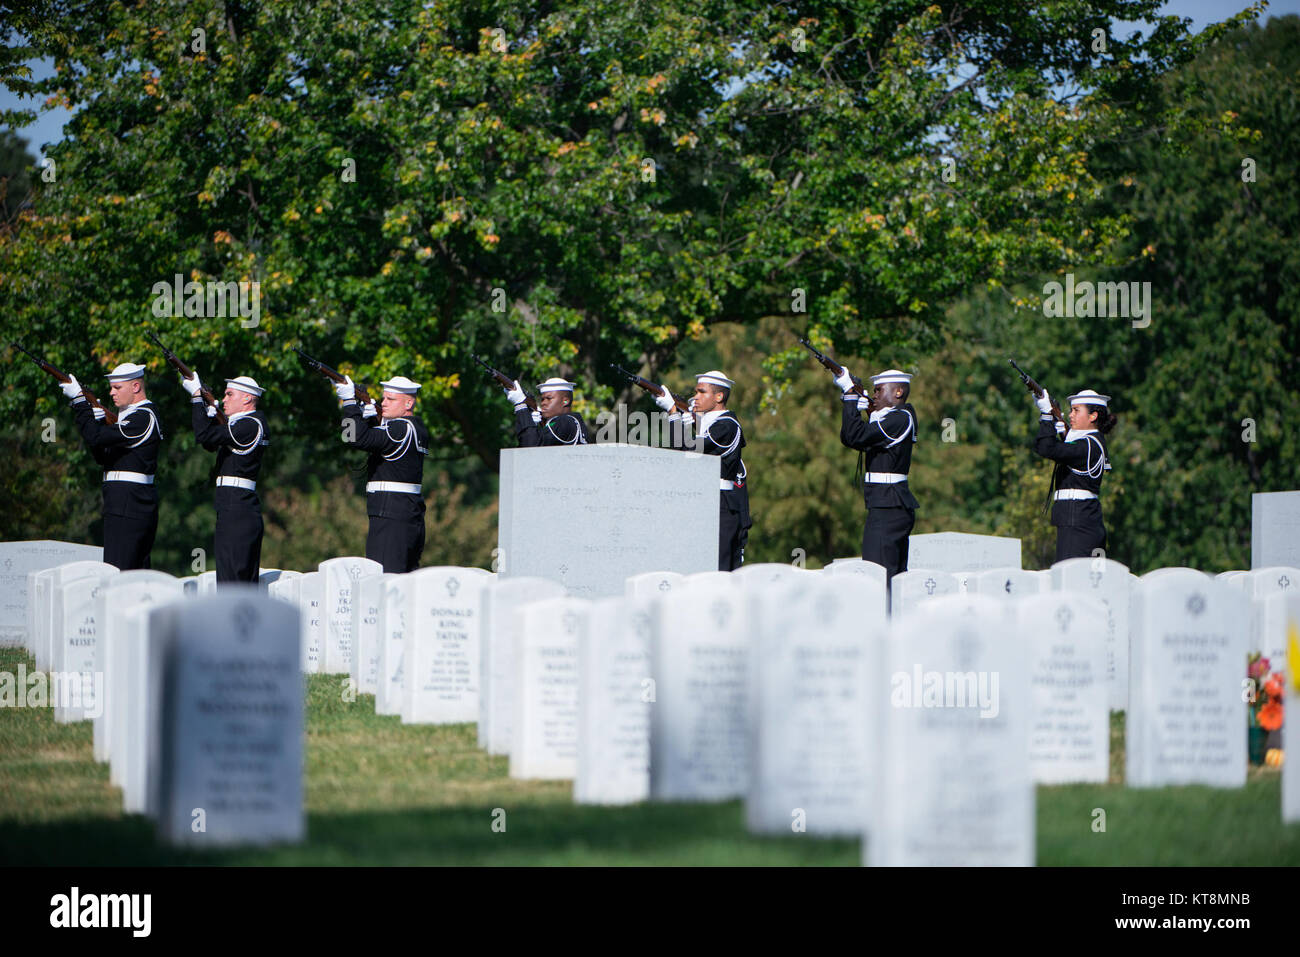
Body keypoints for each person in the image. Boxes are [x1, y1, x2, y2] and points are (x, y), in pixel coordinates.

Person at [58, 362, 164, 570]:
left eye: (118, 388)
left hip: (130, 502)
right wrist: (96, 421)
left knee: (120, 570)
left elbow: (96, 438)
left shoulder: (144, 417)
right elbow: (102, 454)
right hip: (123, 500)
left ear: (135, 387)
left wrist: (81, 403)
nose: (111, 393)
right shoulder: (131, 418)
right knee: (127, 570)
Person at [656, 370, 751, 571]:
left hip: (720, 506)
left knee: (718, 572)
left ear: (719, 397)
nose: (695, 397)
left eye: (702, 392)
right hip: (705, 502)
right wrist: (690, 421)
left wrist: (673, 413)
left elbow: (685, 450)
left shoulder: (728, 426)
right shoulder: (711, 425)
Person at [336, 374, 429, 573]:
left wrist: (350, 404)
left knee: (385, 581)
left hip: (391, 515)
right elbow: (375, 443)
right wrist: (370, 419)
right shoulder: (416, 428)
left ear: (408, 403)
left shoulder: (400, 428)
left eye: (391, 399)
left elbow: (351, 437)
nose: (383, 403)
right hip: (405, 512)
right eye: (384, 398)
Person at [183, 372, 269, 584]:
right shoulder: (243, 424)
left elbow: (202, 436)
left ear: (248, 398)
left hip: (237, 508)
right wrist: (209, 410)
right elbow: (210, 443)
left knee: (233, 583)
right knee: (233, 581)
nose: (224, 399)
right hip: (234, 505)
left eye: (230, 395)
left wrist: (196, 398)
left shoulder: (250, 424)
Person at [834, 367, 918, 582]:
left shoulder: (901, 418)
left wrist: (850, 397)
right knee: (890, 577)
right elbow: (850, 437)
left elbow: (855, 437)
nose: (874, 395)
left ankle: (885, 616)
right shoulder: (894, 418)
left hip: (889, 506)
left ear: (898, 392)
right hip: (886, 503)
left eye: (880, 390)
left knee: (878, 576)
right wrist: (864, 412)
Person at [1030, 388, 1115, 562]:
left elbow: (1046, 448)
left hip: (1077, 521)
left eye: (1076, 410)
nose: (1070, 415)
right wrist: (1063, 432)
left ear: (1093, 416)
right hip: (1082, 519)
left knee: (1071, 579)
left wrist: (1046, 415)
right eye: (1070, 410)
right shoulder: (1094, 442)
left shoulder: (1087, 446)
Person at [505, 377, 589, 446]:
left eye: (549, 399)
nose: (543, 403)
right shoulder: (574, 421)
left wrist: (521, 406)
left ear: (565, 401)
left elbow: (531, 447)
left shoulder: (564, 421)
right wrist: (533, 425)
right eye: (542, 399)